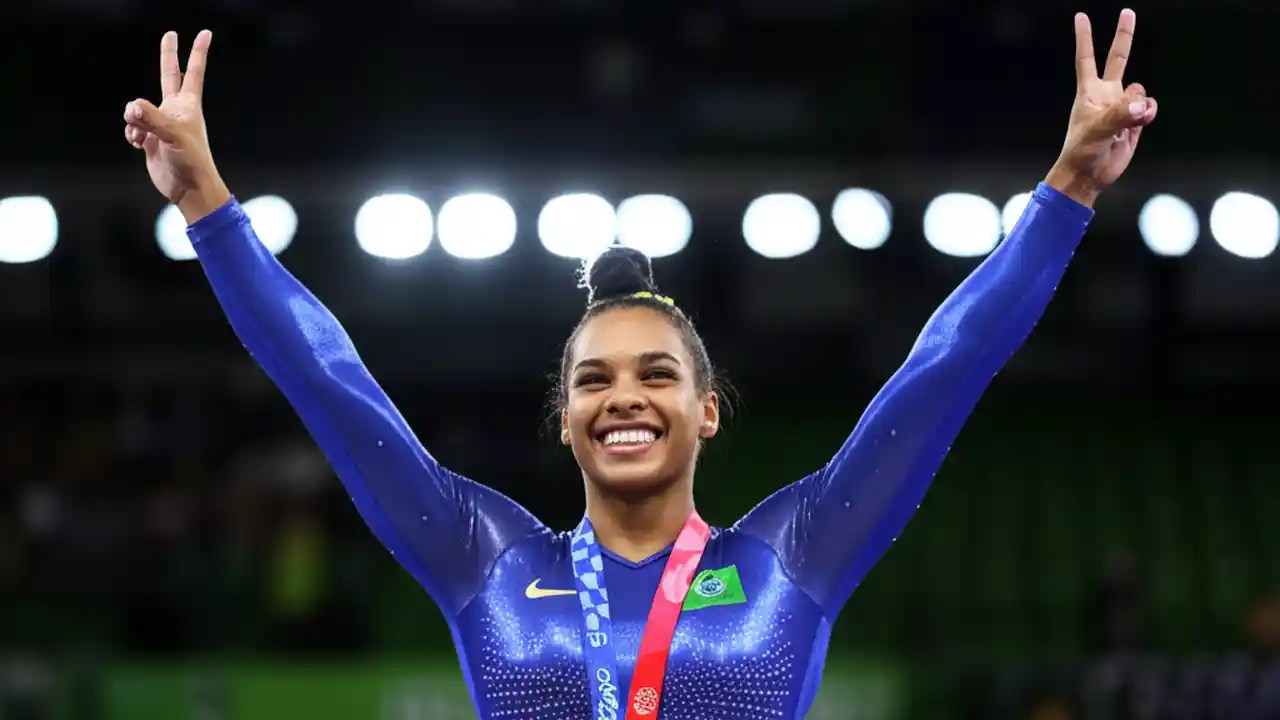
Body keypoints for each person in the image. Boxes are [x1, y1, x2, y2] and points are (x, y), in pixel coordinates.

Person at [120, 9, 1158, 719]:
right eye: (594, 380)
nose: (624, 395)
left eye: (657, 374)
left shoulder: (792, 555)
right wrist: (208, 208)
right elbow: (328, 382)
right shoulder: (486, 560)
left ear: (708, 411)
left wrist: (1065, 190)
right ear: (563, 419)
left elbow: (944, 367)